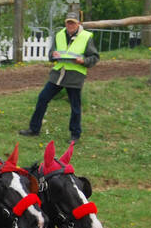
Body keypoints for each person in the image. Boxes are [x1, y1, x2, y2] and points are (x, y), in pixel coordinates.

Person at [19, 11, 99, 143]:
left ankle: (75, 135)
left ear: (78, 23)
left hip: (75, 76)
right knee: (42, 98)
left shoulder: (86, 37)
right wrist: (53, 55)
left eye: (72, 23)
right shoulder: (59, 35)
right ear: (65, 23)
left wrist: (83, 61)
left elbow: (95, 57)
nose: (70, 25)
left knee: (75, 106)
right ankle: (34, 129)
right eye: (68, 22)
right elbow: (51, 54)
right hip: (58, 74)